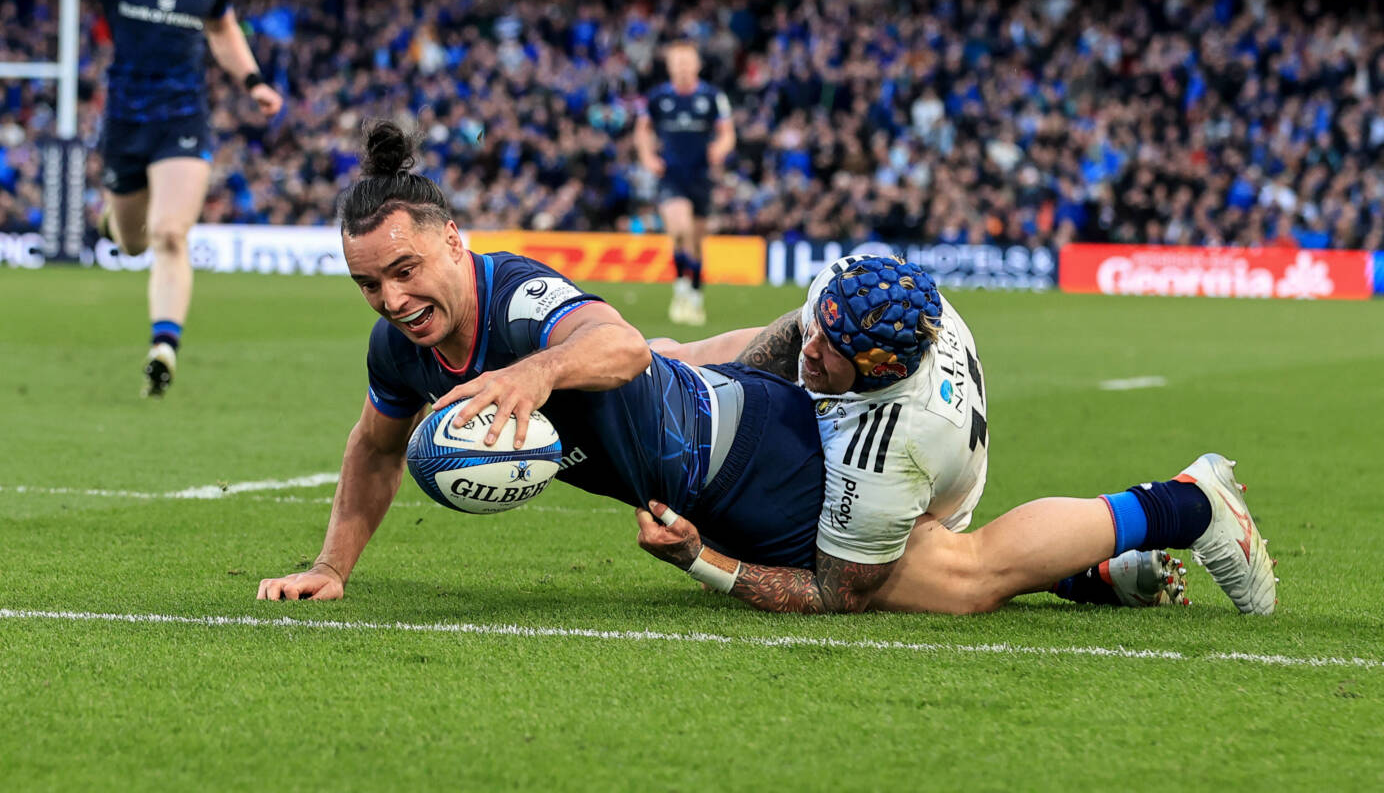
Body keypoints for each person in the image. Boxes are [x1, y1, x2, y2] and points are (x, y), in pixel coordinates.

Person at [255, 121, 824, 602]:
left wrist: (532, 372)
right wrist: (330, 568)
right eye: (369, 284)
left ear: (453, 242)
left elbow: (622, 346)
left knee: (885, 583)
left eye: (405, 271)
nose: (392, 301)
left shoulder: (516, 298)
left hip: (758, 456)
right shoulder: (396, 348)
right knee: (674, 356)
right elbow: (376, 449)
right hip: (703, 507)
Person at [635, 255, 1278, 615]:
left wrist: (704, 561)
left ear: (881, 367)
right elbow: (777, 347)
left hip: (925, 476)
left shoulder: (890, 451)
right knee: (692, 362)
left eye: (834, 350)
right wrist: (690, 380)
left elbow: (835, 593)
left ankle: (1188, 503)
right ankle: (1084, 574)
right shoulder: (856, 295)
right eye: (819, 329)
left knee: (962, 580)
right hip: (910, 415)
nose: (811, 352)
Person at [0, 0, 283, 397]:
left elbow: (223, 31)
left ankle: (164, 346)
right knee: (135, 240)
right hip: (125, 121)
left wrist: (253, 81)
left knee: (169, 234)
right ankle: (117, 223)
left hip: (184, 117)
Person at [633, 40, 734, 326]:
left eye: (687, 62)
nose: (683, 68)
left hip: (700, 177)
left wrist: (721, 148)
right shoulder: (657, 98)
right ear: (669, 67)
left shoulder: (713, 97)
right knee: (680, 228)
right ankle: (680, 290)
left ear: (697, 65)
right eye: (677, 63)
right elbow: (642, 131)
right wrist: (647, 156)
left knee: (697, 242)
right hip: (671, 176)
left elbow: (727, 133)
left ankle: (695, 294)